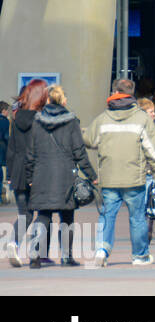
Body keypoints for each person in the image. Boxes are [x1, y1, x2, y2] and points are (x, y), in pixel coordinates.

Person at [84, 78, 155, 267]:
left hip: (110, 177)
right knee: (137, 217)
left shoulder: (103, 117)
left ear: (115, 92)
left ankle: (102, 250)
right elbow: (153, 150)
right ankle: (140, 256)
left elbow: (89, 140)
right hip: (134, 178)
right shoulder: (142, 118)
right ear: (132, 94)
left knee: (107, 215)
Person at [23, 85, 97, 268]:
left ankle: (35, 253)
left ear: (47, 101)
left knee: (43, 215)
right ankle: (66, 257)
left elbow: (30, 153)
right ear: (64, 101)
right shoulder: (72, 122)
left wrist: (29, 176)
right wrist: (91, 174)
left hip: (41, 175)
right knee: (67, 217)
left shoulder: (37, 122)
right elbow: (79, 152)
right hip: (65, 175)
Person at [5, 79, 47, 266]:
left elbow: (12, 148)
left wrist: (9, 176)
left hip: (18, 171)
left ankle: (14, 242)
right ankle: (36, 250)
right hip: (36, 170)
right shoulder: (41, 120)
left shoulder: (16, 119)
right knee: (44, 213)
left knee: (25, 213)